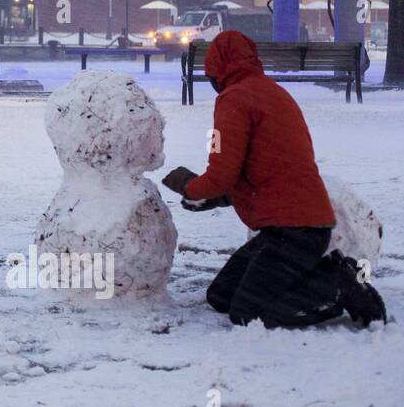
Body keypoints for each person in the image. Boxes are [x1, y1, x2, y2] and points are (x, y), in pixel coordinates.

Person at [162, 30, 387, 328]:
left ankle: (338, 285)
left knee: (248, 313)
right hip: (289, 226)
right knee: (222, 295)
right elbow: (264, 169)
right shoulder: (271, 92)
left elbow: (220, 175)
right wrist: (219, 195)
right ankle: (318, 272)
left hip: (294, 231)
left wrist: (190, 187)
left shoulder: (234, 99)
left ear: (215, 69)